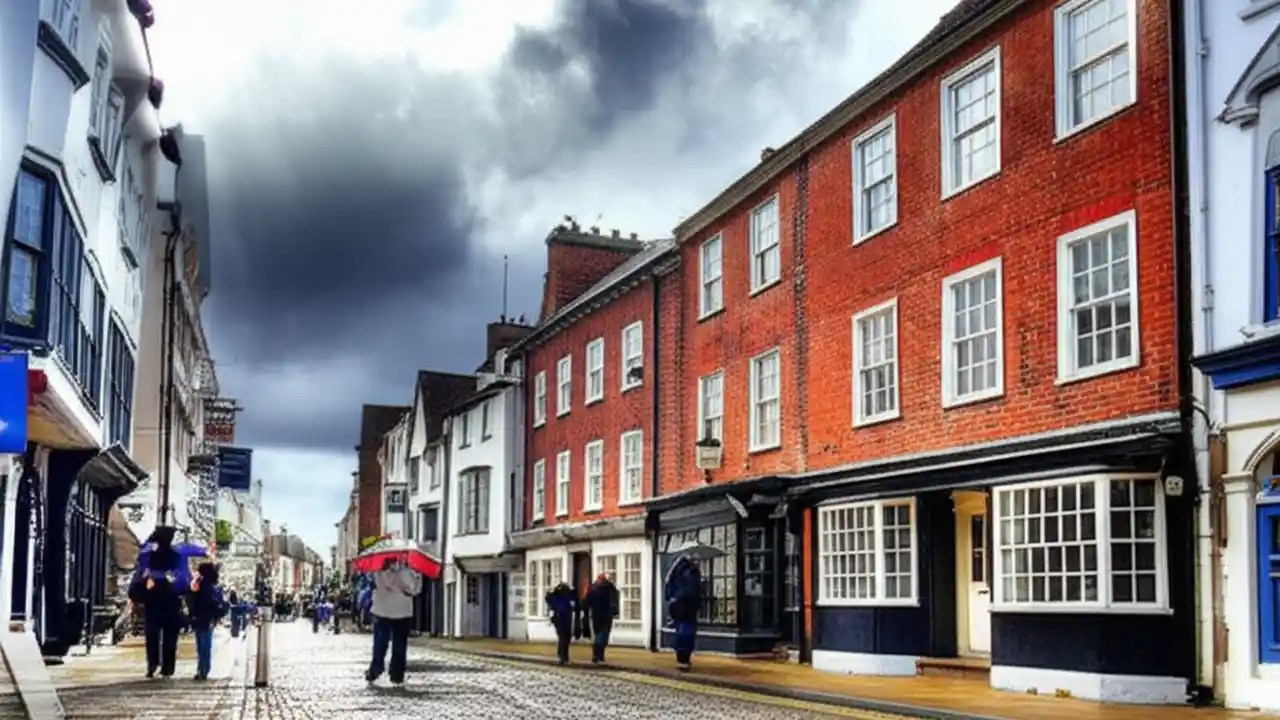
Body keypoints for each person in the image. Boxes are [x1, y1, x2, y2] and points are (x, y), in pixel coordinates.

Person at [131, 527, 184, 679]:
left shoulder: (149, 556)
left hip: (153, 597)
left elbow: (142, 573)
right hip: (170, 598)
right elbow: (179, 576)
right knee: (169, 636)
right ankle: (167, 667)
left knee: (152, 634)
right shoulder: (175, 556)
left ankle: (152, 664)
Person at [365, 558, 422, 687]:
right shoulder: (408, 571)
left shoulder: (377, 570)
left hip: (382, 610)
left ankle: (375, 670)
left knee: (380, 643)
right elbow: (415, 590)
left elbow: (373, 584)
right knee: (399, 645)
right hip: (402, 611)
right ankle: (396, 675)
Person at [188, 563, 229, 681]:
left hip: (201, 618)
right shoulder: (211, 586)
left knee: (202, 646)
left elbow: (197, 601)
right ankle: (203, 669)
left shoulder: (203, 586)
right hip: (208, 619)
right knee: (205, 646)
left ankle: (202, 670)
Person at [664, 556, 703, 672]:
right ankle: (683, 660)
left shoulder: (678, 570)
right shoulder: (690, 572)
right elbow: (690, 592)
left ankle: (682, 658)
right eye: (696, 560)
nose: (698, 562)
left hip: (679, 607)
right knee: (687, 633)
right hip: (687, 607)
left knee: (681, 632)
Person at [584, 572, 619, 664]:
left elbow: (587, 602)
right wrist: (615, 612)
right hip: (606, 615)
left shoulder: (592, 588)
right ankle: (600, 655)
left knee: (597, 635)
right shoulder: (610, 588)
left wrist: (586, 612)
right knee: (603, 636)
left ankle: (596, 655)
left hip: (596, 615)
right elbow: (614, 601)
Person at [545, 581, 576, 665]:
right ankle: (563, 657)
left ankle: (562, 657)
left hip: (559, 619)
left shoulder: (555, 597)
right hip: (564, 619)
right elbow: (574, 601)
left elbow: (548, 599)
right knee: (565, 639)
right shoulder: (566, 597)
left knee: (562, 638)